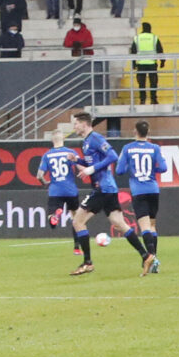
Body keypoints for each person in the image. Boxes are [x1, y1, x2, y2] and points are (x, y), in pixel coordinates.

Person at [66, 111, 133, 275]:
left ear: (84, 123)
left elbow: (112, 156)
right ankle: (147, 255)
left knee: (77, 222)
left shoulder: (95, 138)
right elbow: (91, 162)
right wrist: (78, 161)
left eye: (75, 123)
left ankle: (87, 262)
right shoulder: (86, 142)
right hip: (106, 188)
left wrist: (91, 169)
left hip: (102, 187)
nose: (74, 126)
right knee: (119, 223)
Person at [115, 121, 166, 275]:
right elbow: (163, 168)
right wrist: (152, 169)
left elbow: (119, 170)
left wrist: (131, 168)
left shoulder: (128, 148)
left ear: (135, 131)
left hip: (139, 191)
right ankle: (154, 259)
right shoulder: (154, 148)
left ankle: (150, 258)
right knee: (152, 225)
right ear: (148, 131)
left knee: (144, 227)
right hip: (153, 189)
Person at [39, 136, 81, 247]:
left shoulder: (47, 155)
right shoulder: (71, 152)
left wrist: (45, 182)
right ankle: (77, 246)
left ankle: (55, 216)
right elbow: (80, 166)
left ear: (52, 140)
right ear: (62, 139)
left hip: (55, 190)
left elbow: (39, 175)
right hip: (71, 189)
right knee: (76, 218)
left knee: (51, 218)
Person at [130, 23, 164, 105]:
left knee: (141, 83)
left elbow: (133, 51)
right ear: (150, 28)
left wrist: (133, 63)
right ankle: (153, 99)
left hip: (140, 63)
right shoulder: (154, 38)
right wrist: (162, 61)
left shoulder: (137, 38)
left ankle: (142, 100)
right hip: (152, 63)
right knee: (153, 82)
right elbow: (160, 50)